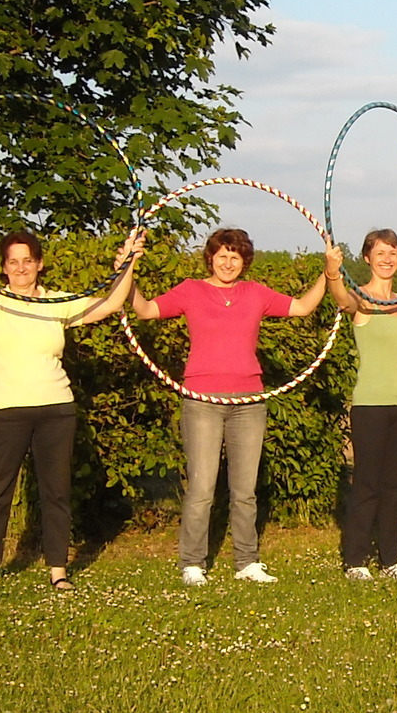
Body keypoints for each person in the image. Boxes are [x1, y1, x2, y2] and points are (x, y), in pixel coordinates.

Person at [0, 222, 144, 592]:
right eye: (14, 262)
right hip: (4, 409)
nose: (21, 268)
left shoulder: (56, 302)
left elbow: (110, 304)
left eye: (28, 261)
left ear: (40, 264)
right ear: (4, 267)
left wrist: (130, 263)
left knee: (55, 490)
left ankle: (58, 570)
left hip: (55, 409)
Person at [132, 228, 340, 586]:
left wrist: (328, 271)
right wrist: (128, 269)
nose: (228, 263)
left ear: (245, 262)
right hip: (202, 400)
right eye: (222, 255)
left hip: (249, 401)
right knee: (201, 487)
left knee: (245, 489)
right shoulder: (191, 290)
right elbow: (146, 311)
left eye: (236, 256)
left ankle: (247, 561)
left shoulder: (255, 293)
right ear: (210, 257)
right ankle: (192, 563)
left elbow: (303, 308)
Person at [328, 228, 397, 582]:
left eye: (393, 252)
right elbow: (341, 300)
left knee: (394, 484)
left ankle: (391, 558)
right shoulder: (360, 299)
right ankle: (356, 560)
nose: (387, 259)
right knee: (367, 483)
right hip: (369, 404)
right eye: (380, 253)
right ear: (367, 258)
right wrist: (332, 272)